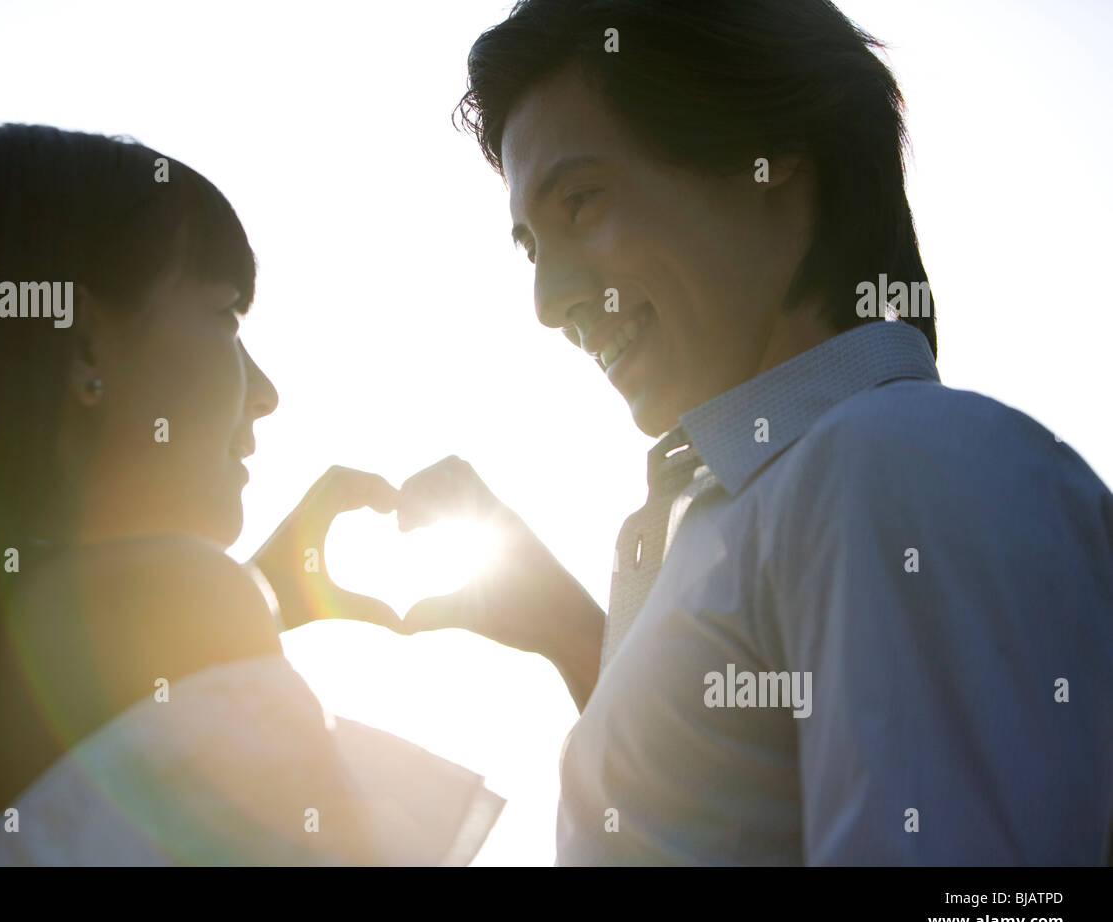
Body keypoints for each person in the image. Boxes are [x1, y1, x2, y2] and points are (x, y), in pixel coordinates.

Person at [389, 0, 1113, 864]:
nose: (548, 304)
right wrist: (577, 639)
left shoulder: (894, 462)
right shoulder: (798, 493)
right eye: (530, 245)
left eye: (581, 202)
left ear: (771, 161)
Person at [0, 124, 502, 866]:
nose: (265, 392)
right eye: (225, 315)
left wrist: (258, 595)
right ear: (82, 349)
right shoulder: (181, 603)